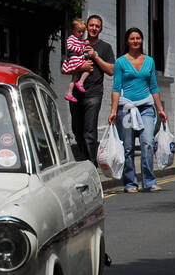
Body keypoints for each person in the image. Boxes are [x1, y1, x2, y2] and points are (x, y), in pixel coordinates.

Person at [108, 26, 167, 192]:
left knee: (147, 143)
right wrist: (113, 111)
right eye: (132, 38)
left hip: (146, 108)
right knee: (127, 147)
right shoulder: (120, 62)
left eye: (138, 38)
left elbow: (154, 87)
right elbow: (116, 88)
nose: (136, 41)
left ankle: (149, 181)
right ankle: (130, 183)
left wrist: (160, 109)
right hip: (126, 109)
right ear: (127, 41)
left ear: (141, 41)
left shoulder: (149, 61)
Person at [68, 14, 115, 164]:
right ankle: (83, 163)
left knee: (89, 131)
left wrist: (95, 57)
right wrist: (81, 66)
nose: (94, 28)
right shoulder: (78, 43)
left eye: (97, 26)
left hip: (93, 93)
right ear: (87, 27)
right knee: (77, 130)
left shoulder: (105, 47)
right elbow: (67, 64)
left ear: (100, 29)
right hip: (76, 93)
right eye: (92, 25)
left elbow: (111, 70)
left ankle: (92, 164)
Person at [60, 18, 91, 103]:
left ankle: (69, 94)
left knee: (74, 78)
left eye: (83, 32)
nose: (81, 34)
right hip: (74, 59)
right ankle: (81, 82)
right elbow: (70, 47)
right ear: (73, 30)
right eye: (79, 31)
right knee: (89, 67)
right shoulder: (71, 38)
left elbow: (83, 48)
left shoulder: (81, 40)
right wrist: (80, 50)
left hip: (77, 59)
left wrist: (86, 45)